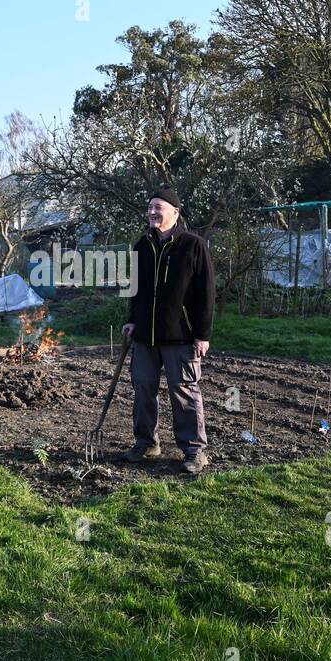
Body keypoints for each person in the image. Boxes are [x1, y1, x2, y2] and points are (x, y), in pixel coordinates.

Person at [120, 188, 215, 475]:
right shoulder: (141, 246)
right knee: (143, 388)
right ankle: (147, 442)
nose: (152, 212)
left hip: (181, 336)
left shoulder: (193, 246)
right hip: (145, 336)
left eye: (158, 207)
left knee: (183, 391)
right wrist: (132, 319)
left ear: (175, 212)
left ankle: (195, 451)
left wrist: (202, 334)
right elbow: (135, 289)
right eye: (149, 207)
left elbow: (207, 294)